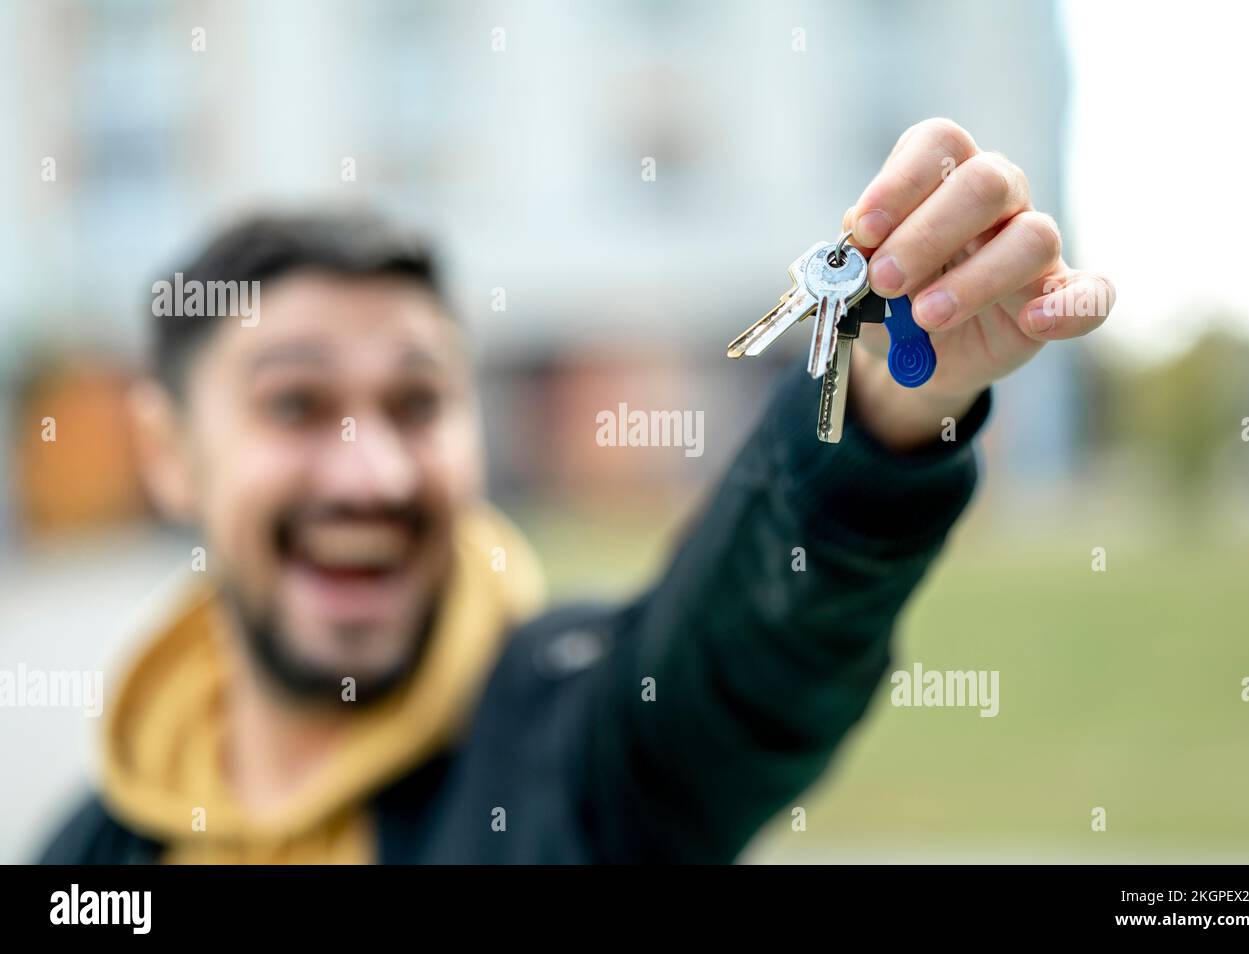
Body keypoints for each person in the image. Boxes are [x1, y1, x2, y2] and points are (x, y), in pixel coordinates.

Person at [39, 118, 1112, 863]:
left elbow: (753, 653)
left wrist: (869, 411)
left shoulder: (587, 745)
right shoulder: (95, 851)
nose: (371, 472)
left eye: (417, 404)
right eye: (295, 407)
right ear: (169, 454)